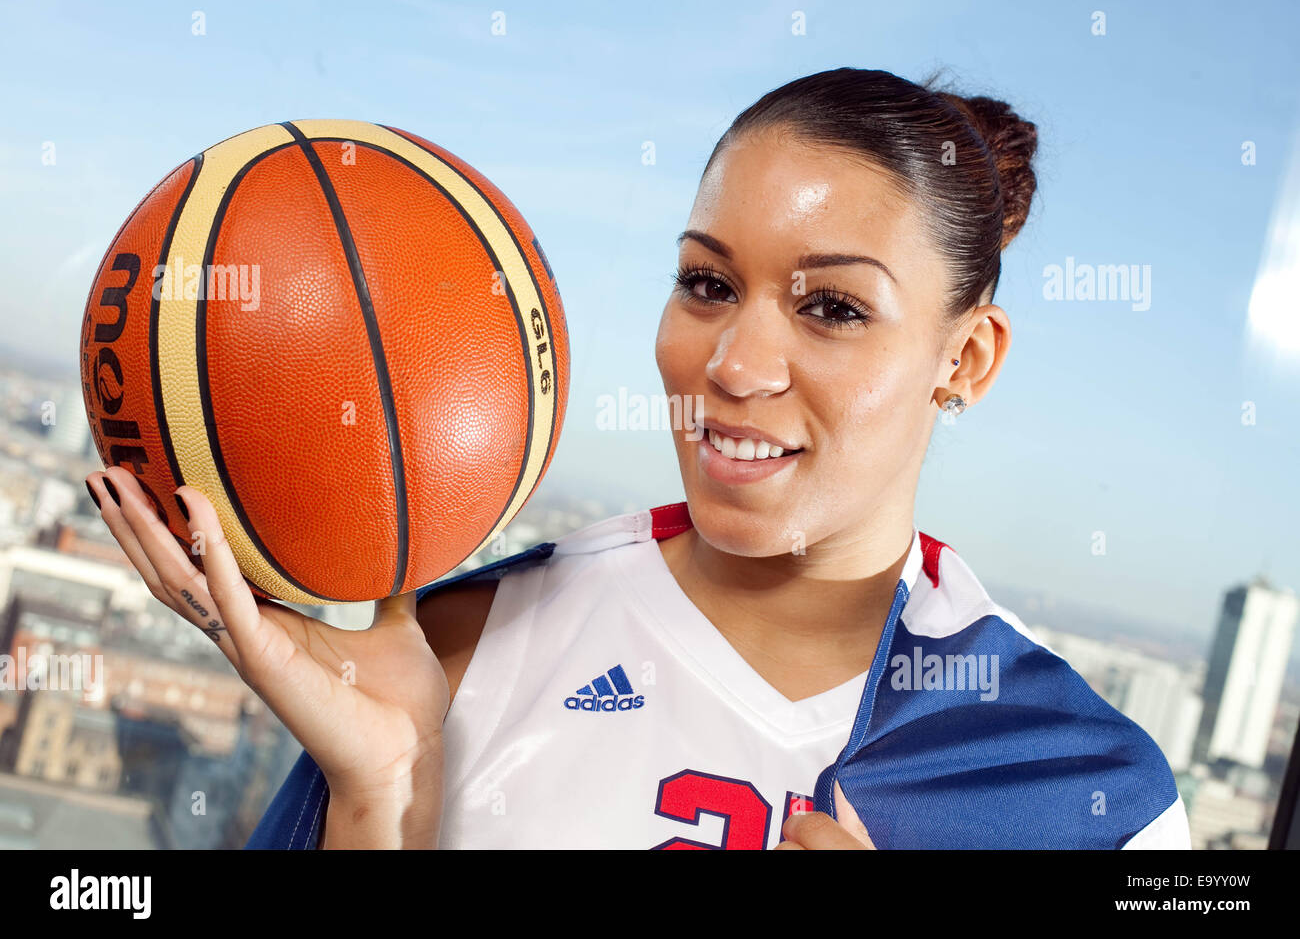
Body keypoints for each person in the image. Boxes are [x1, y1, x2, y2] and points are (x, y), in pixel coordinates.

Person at [87, 66, 1190, 850]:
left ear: (965, 357)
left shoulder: (1081, 788)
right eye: (707, 283)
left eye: (833, 307)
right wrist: (382, 798)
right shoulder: (460, 643)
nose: (736, 362)